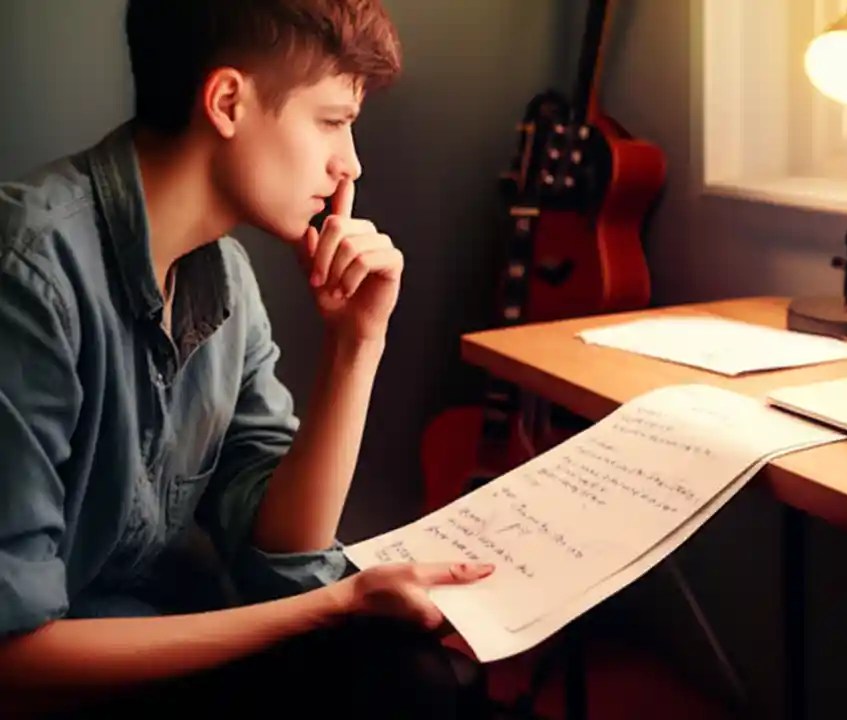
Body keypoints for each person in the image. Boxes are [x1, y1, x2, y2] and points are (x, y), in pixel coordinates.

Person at [0, 1, 496, 716]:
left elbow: (286, 554)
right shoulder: (30, 275)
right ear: (228, 101)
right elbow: (14, 653)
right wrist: (337, 605)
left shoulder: (225, 277)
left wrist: (357, 345)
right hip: (45, 680)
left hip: (143, 636)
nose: (349, 163)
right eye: (331, 121)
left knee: (416, 676)